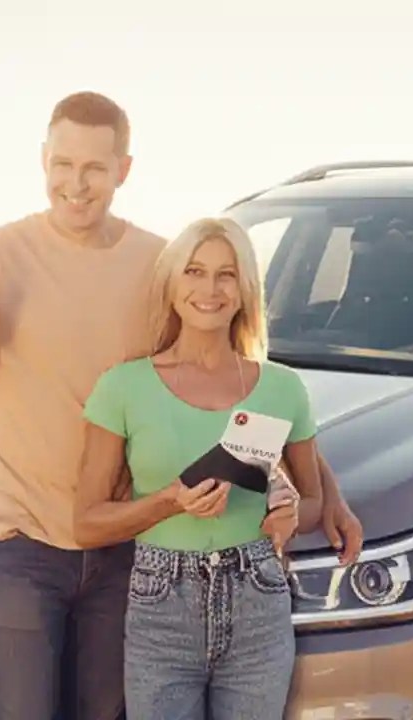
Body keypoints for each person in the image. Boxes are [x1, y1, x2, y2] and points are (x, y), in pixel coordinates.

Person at [0, 90, 363, 720]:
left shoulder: (158, 265)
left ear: (123, 169)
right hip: (23, 540)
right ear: (43, 161)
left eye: (94, 168)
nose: (76, 184)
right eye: (62, 165)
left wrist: (327, 499)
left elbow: (245, 384)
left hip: (129, 545)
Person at [74, 216, 319, 719]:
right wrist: (168, 501)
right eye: (194, 271)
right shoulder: (124, 387)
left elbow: (314, 502)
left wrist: (292, 514)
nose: (210, 289)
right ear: (171, 283)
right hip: (161, 608)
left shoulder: (282, 389)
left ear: (245, 288)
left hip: (259, 602)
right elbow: (86, 523)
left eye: (226, 274)